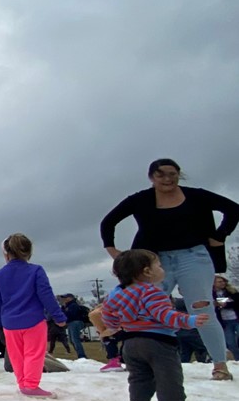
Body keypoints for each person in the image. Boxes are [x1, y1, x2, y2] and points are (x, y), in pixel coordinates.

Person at [101, 158, 239, 381]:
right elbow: (108, 221)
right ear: (151, 178)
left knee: (201, 308)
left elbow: (233, 209)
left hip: (193, 256)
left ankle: (220, 364)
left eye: (172, 174)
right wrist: (113, 251)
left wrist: (220, 235)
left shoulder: (197, 196)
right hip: (154, 261)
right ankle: (147, 362)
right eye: (161, 174)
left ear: (179, 175)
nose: (167, 179)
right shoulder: (140, 200)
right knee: (146, 309)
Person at [101, 249, 207, 401]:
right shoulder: (152, 292)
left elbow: (107, 314)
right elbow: (164, 316)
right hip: (158, 342)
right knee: (168, 376)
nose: (162, 268)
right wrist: (190, 321)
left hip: (130, 343)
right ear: (147, 271)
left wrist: (113, 327)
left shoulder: (117, 294)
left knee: (139, 376)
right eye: (158, 265)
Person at [0, 233, 67, 398]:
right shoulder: (36, 270)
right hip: (34, 321)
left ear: (6, 253)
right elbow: (46, 295)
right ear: (29, 252)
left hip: (9, 323)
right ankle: (31, 385)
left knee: (16, 355)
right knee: (34, 353)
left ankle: (22, 383)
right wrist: (58, 317)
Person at [213, 275, 239, 361]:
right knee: (230, 342)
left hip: (236, 318)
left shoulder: (232, 292)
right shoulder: (212, 294)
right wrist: (216, 305)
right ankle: (237, 359)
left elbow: (236, 303)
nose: (222, 283)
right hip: (225, 321)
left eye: (223, 281)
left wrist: (226, 304)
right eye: (219, 282)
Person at [59, 294, 89, 359]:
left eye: (65, 297)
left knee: (75, 339)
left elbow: (70, 315)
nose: (64, 299)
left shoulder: (73, 305)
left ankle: (82, 355)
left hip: (75, 322)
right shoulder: (66, 306)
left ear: (70, 298)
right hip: (70, 323)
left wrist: (64, 310)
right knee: (72, 340)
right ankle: (80, 354)